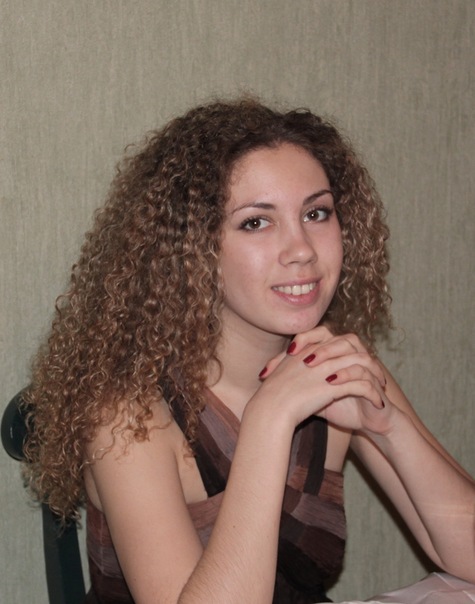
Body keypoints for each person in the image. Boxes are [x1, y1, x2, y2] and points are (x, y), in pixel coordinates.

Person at [23, 98, 475, 604]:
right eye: (256, 222)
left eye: (316, 213)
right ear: (192, 249)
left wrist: (390, 427)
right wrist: (269, 418)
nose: (302, 249)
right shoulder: (127, 416)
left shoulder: (333, 363)